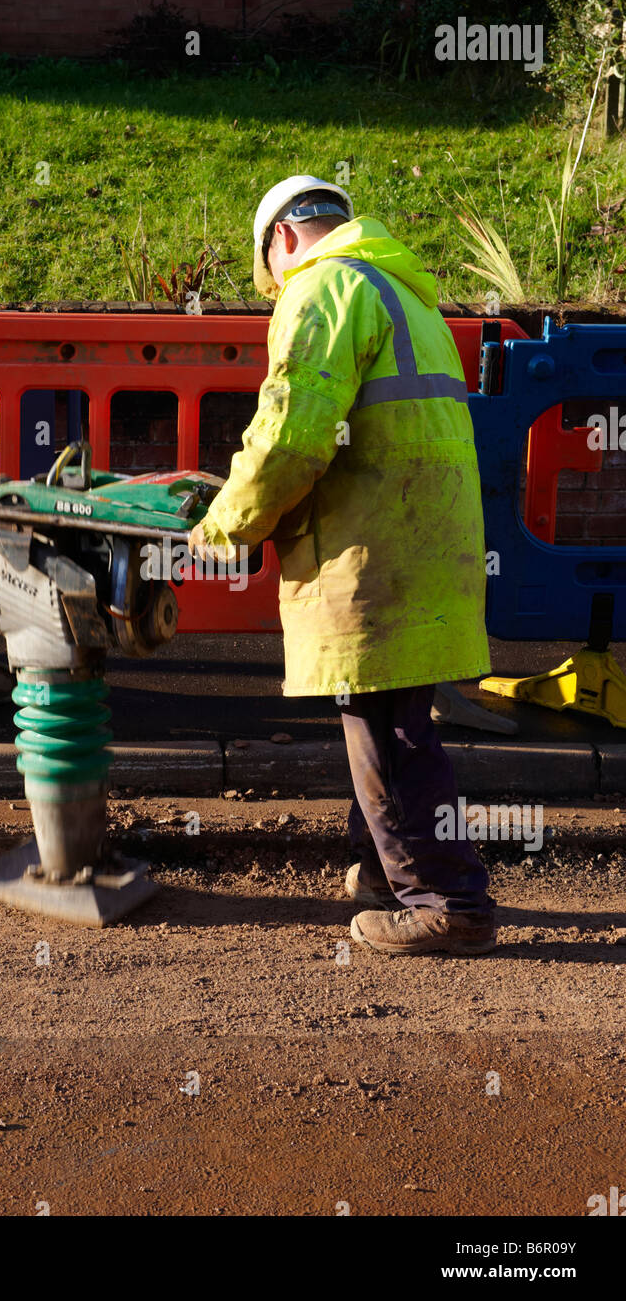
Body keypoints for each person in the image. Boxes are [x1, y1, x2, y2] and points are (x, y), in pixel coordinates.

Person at [188, 174, 496, 955]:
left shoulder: (321, 287)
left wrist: (224, 529)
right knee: (394, 718)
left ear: (282, 241)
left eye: (270, 275)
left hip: (372, 550)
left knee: (388, 734)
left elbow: (293, 434)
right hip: (425, 541)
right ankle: (377, 871)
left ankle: (446, 905)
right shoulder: (403, 293)